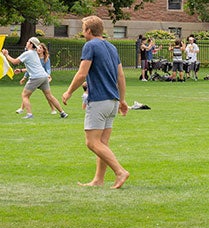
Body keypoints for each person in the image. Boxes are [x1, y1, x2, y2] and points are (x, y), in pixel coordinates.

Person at [59, 16, 130, 189]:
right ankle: (98, 180)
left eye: (83, 29)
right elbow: (120, 75)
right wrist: (122, 100)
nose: (83, 33)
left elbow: (82, 73)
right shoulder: (111, 47)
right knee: (102, 143)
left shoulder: (90, 45)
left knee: (92, 142)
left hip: (99, 100)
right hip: (112, 101)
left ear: (89, 31)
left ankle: (120, 171)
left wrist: (68, 92)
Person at [12, 38, 66, 119]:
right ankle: (63, 113)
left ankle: (29, 114)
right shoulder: (34, 53)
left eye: (28, 42)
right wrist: (21, 70)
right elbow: (32, 67)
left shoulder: (28, 53)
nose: (26, 43)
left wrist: (6, 54)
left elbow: (14, 61)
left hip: (36, 77)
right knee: (49, 96)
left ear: (31, 44)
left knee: (25, 95)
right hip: (43, 77)